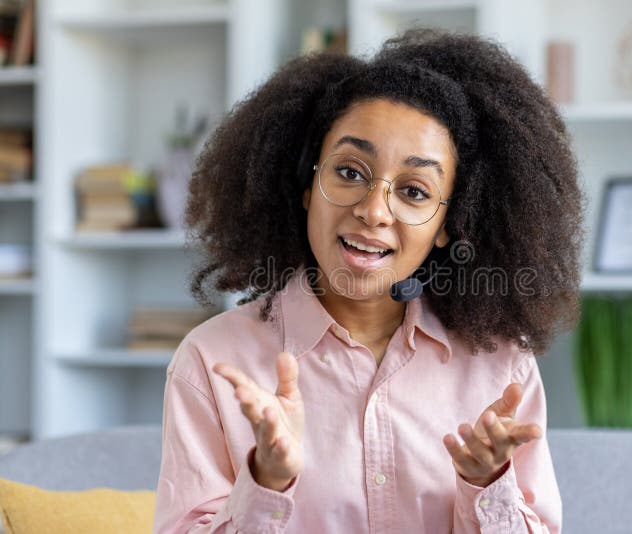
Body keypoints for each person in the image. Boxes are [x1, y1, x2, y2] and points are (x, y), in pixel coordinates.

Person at [153, 27, 584, 533]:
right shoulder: (213, 361)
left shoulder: (501, 366)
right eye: (351, 172)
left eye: (415, 191)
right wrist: (265, 486)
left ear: (448, 225)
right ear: (307, 186)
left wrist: (488, 487)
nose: (374, 210)